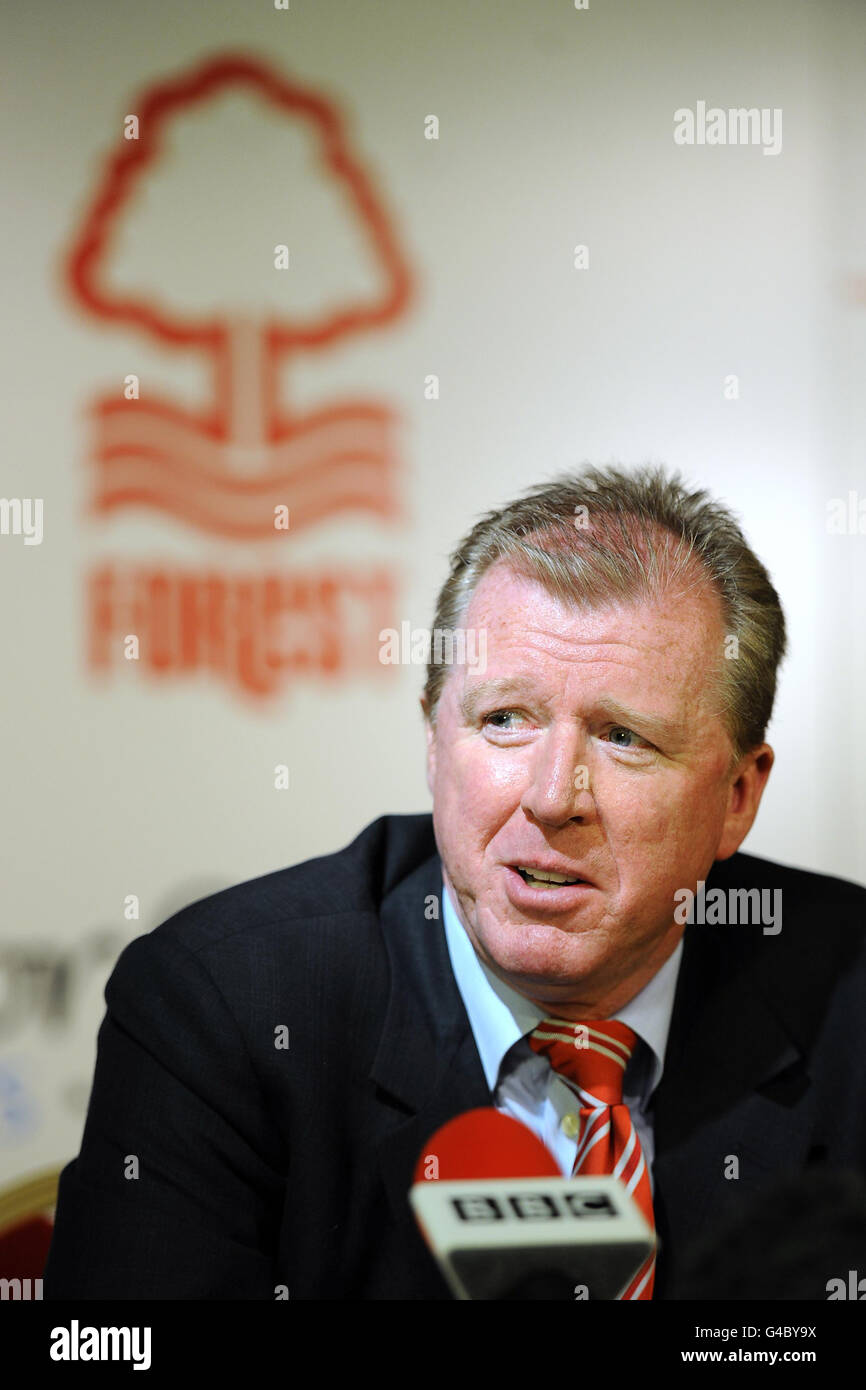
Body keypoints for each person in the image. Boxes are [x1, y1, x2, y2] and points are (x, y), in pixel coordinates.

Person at [43, 465, 866, 1300]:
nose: (551, 798)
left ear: (737, 797)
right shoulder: (227, 1006)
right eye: (504, 720)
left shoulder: (850, 1001)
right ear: (435, 744)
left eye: (623, 737)